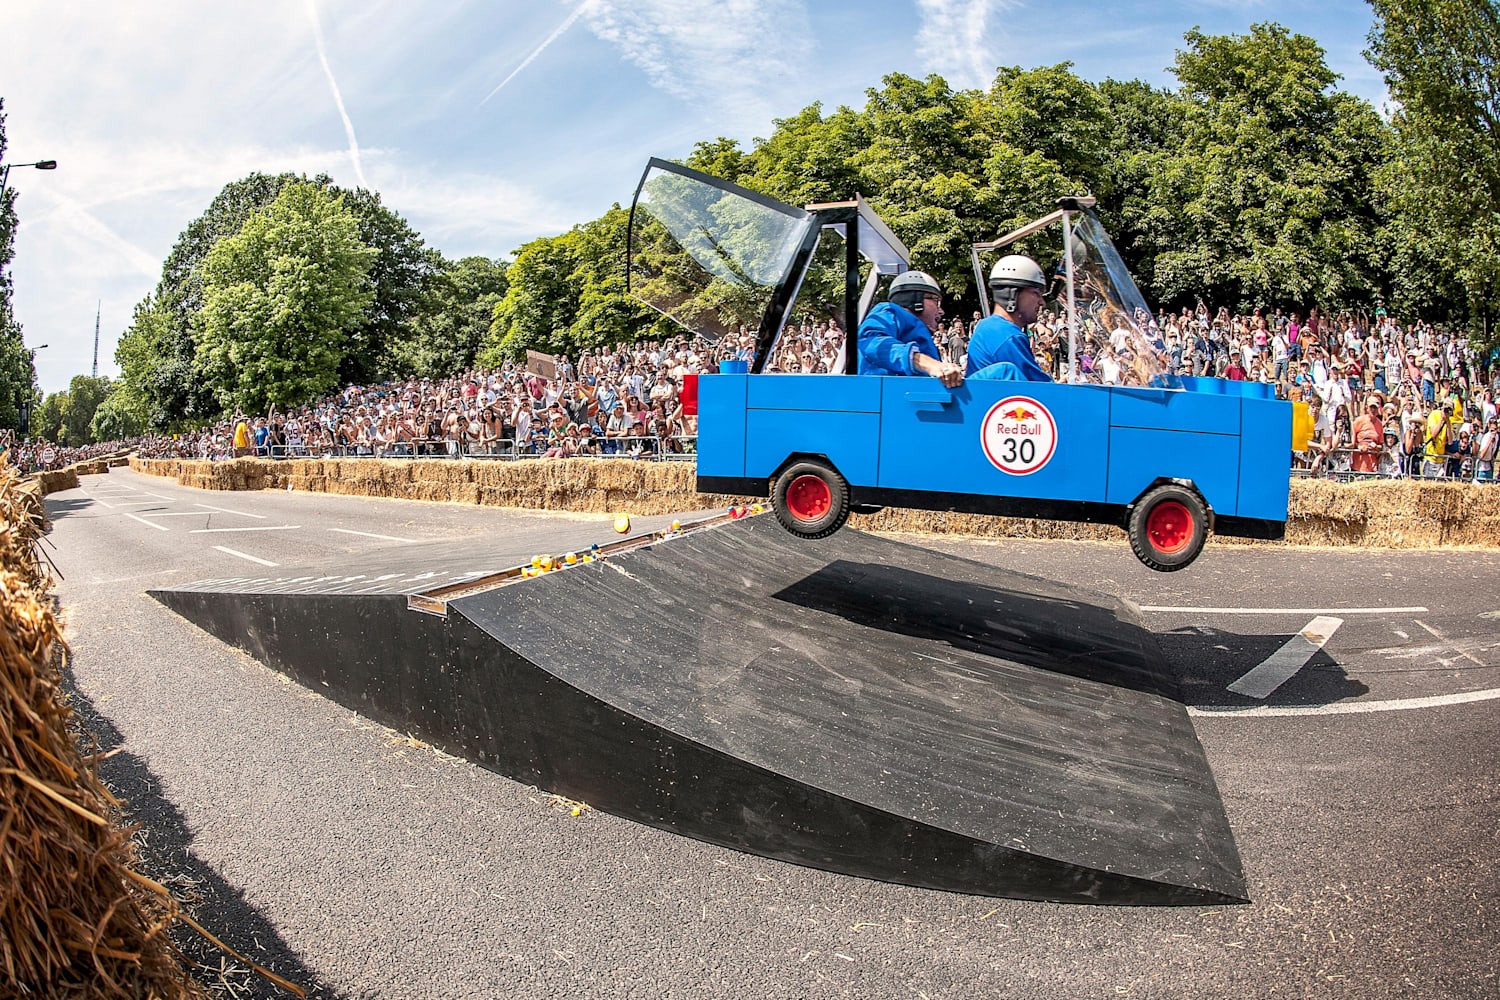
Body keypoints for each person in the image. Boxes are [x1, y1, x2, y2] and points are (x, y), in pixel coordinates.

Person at [857, 270, 964, 387]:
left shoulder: (918, 330)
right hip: (882, 394)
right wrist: (926, 363)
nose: (941, 311)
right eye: (936, 301)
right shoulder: (889, 311)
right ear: (916, 300)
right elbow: (871, 341)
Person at [965, 255, 1053, 382]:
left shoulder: (987, 326)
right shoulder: (1008, 336)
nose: (1042, 302)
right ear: (1011, 294)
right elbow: (1040, 388)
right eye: (1036, 293)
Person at [1350, 395, 1385, 474]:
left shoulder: (1379, 424)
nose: (1373, 410)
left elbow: (1381, 444)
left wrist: (1376, 447)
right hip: (1358, 464)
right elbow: (1351, 441)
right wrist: (1359, 446)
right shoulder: (1359, 421)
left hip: (1372, 465)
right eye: (1371, 407)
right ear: (1367, 408)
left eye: (1375, 408)